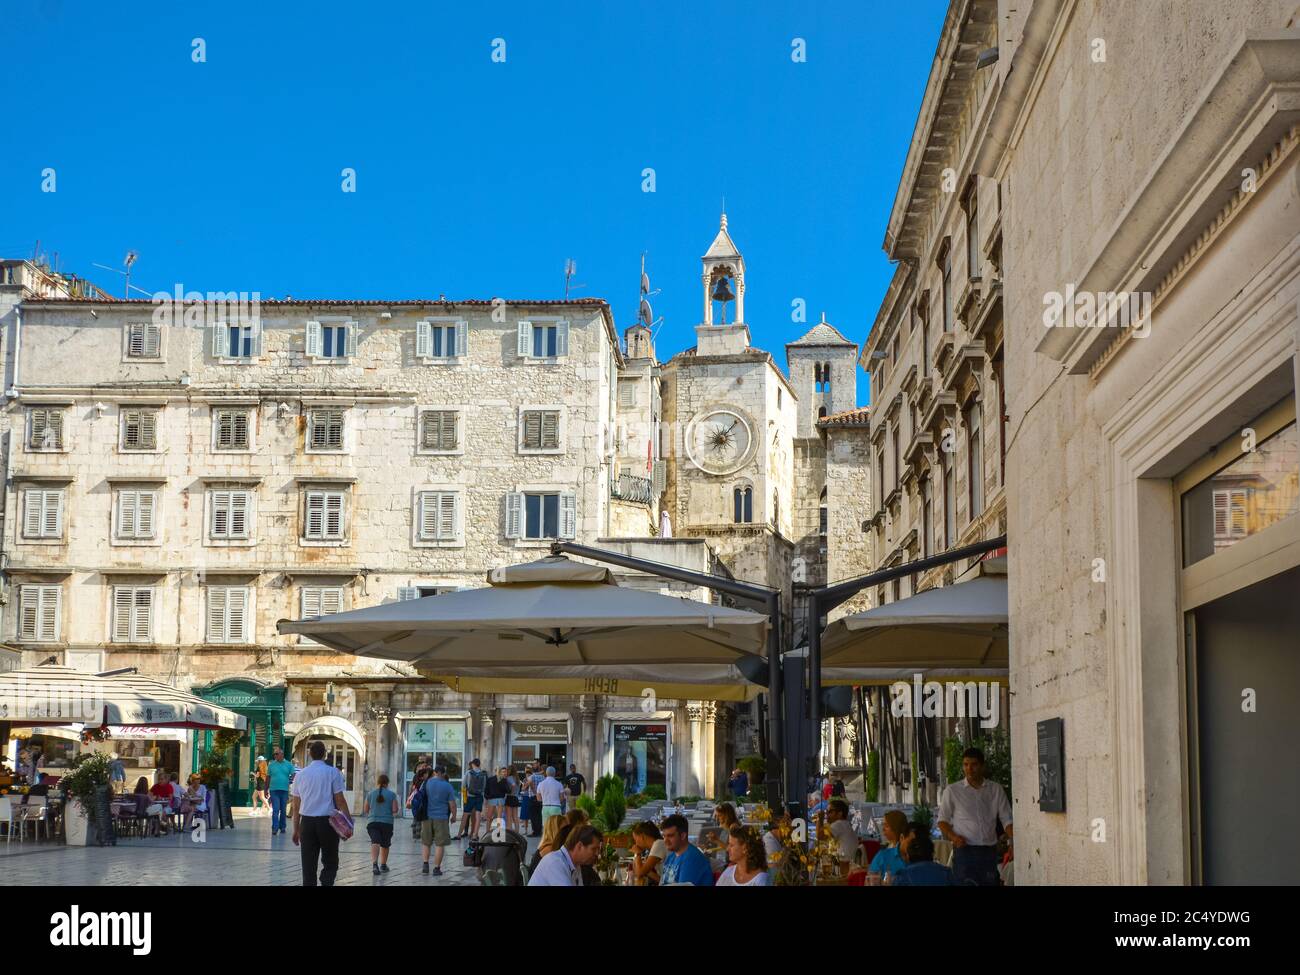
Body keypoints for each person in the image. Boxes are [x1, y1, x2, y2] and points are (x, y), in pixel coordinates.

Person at [937, 747, 1012, 887]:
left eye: (974, 764)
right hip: (965, 851)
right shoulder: (952, 791)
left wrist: (1013, 843)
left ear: (982, 766)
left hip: (988, 851)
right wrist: (954, 837)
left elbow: (1007, 818)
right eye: (965, 764)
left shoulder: (995, 789)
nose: (969, 769)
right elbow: (942, 821)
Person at [291, 739, 350, 887]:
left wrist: (296, 829)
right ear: (324, 754)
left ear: (310, 754)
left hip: (307, 823)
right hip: (327, 823)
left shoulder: (301, 775)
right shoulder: (333, 773)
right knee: (331, 860)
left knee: (308, 863)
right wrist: (348, 822)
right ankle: (326, 882)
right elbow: (340, 800)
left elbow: (296, 805)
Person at [528, 824, 603, 886]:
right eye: (593, 849)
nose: (597, 853)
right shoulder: (555, 863)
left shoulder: (575, 864)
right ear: (579, 846)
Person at [420, 764, 457, 877]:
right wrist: (454, 816)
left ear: (435, 772)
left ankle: (425, 864)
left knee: (426, 842)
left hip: (426, 817)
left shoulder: (427, 783)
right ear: (444, 773)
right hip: (441, 818)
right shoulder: (447, 786)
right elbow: (452, 805)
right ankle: (436, 868)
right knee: (440, 844)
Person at [659, 814, 715, 886]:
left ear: (682, 836)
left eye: (670, 836)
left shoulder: (692, 859)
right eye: (664, 836)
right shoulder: (671, 857)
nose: (665, 841)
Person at [363, 773, 398, 875]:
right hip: (387, 823)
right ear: (387, 784)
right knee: (385, 844)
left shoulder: (370, 794)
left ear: (377, 783)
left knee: (375, 842)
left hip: (372, 822)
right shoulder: (391, 795)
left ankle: (374, 864)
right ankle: (383, 865)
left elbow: (366, 810)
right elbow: (395, 810)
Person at [868, 810, 910, 883]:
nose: (883, 829)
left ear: (896, 827)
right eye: (883, 825)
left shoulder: (883, 855)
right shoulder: (885, 851)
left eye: (887, 826)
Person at [527, 810, 567, 875]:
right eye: (564, 829)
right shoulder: (550, 849)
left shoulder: (548, 845)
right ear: (556, 830)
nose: (568, 831)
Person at [267, 747, 295, 835]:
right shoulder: (271, 765)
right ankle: (274, 828)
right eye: (274, 754)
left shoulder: (289, 764)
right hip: (274, 790)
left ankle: (282, 827)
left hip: (284, 790)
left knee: (283, 810)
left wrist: (292, 784)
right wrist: (265, 789)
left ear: (282, 754)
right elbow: (268, 777)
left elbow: (293, 775)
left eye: (276, 754)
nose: (275, 755)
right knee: (275, 810)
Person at [629, 821, 668, 886]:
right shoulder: (658, 844)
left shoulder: (659, 844)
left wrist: (637, 853)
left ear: (642, 836)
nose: (636, 843)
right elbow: (662, 880)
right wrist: (646, 870)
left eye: (635, 839)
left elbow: (639, 873)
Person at [459, 758, 487, 840]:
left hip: (470, 797)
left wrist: (464, 797)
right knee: (478, 816)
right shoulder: (483, 774)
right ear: (479, 764)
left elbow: (463, 785)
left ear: (473, 764)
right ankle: (475, 835)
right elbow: (484, 787)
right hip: (479, 797)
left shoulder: (468, 772)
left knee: (465, 816)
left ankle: (459, 835)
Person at [826, 799, 858, 865]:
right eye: (827, 812)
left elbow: (820, 836)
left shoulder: (839, 824)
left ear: (839, 814)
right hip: (848, 862)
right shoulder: (845, 823)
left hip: (844, 864)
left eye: (830, 812)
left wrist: (819, 820)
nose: (827, 814)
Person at [483, 766, 509, 835]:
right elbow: (507, 790)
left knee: (489, 817)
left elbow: (486, 790)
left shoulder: (490, 779)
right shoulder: (503, 779)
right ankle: (498, 832)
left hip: (491, 800)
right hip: (500, 800)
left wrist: (487, 798)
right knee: (499, 817)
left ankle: (487, 832)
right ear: (500, 772)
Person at [518, 762, 536, 835]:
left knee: (531, 815)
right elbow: (522, 789)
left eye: (529, 773)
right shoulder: (525, 779)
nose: (527, 775)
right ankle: (525, 830)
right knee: (525, 815)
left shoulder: (533, 778)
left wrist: (529, 784)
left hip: (531, 797)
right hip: (525, 797)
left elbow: (534, 788)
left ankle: (532, 830)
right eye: (527, 773)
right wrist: (526, 785)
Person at [504, 766, 520, 832]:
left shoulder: (509, 778)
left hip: (510, 797)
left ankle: (509, 831)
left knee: (509, 817)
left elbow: (513, 785)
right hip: (516, 798)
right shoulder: (517, 779)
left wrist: (510, 791)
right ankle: (517, 831)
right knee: (515, 817)